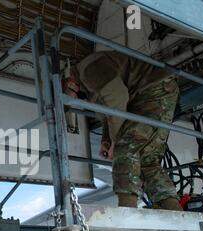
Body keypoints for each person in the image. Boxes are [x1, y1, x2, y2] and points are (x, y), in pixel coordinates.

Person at [64, 51, 182, 210]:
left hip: (153, 89)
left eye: (69, 98)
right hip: (154, 92)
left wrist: (116, 140)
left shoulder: (89, 71)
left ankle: (127, 208)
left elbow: (117, 100)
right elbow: (108, 114)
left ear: (69, 83)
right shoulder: (86, 87)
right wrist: (106, 140)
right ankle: (172, 206)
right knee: (147, 158)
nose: (74, 101)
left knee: (125, 147)